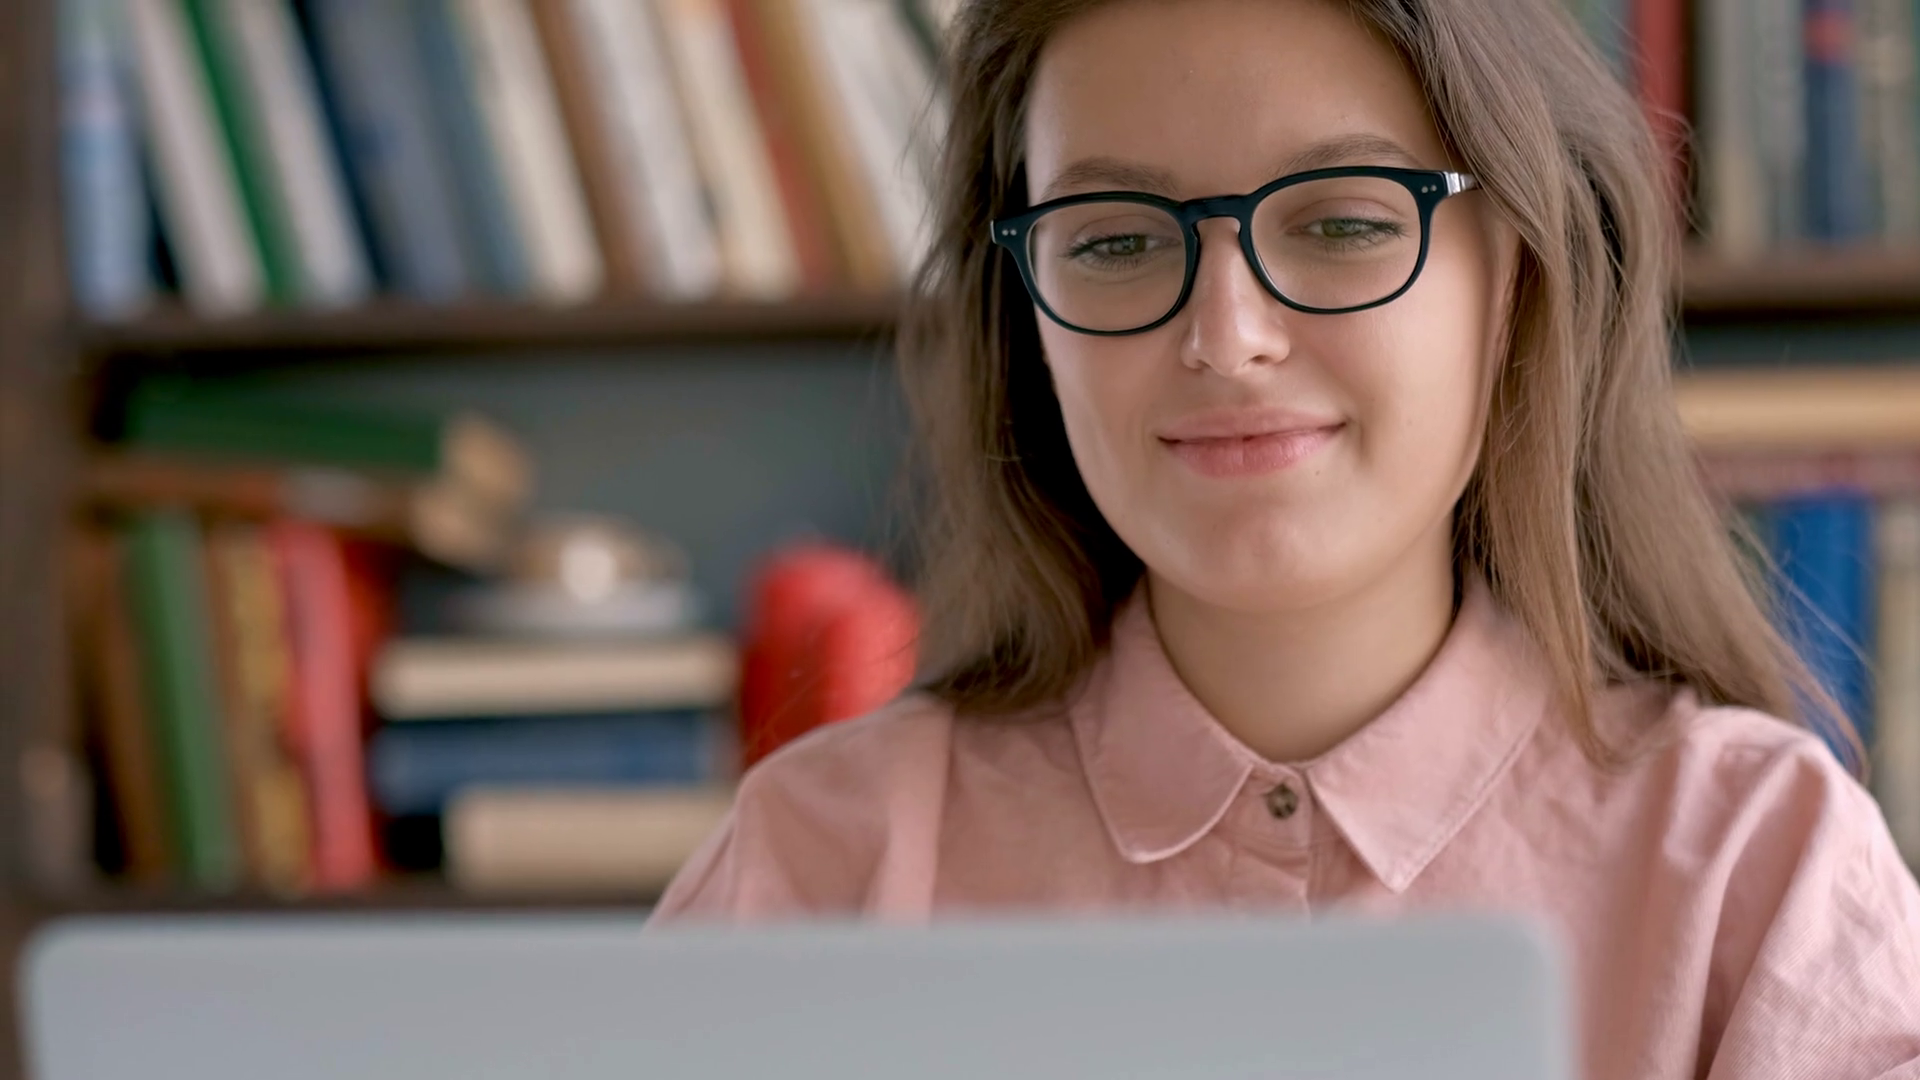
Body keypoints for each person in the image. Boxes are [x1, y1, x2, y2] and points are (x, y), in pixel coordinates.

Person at [650, 0, 1920, 1073]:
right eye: (1116, 242)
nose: (1227, 335)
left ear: (1518, 275)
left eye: (1343, 222)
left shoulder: (1761, 868)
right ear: (1025, 325)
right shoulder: (818, 868)